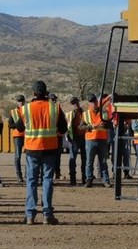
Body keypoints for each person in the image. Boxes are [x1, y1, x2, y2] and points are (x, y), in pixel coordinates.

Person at [22, 80, 66, 225]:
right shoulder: (55, 107)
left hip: (32, 149)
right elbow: (63, 129)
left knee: (31, 181)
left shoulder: (26, 108)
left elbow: (18, 127)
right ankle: (47, 214)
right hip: (49, 149)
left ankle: (30, 215)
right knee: (47, 181)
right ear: (46, 92)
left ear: (34, 93)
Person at [82, 95, 111, 188]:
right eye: (91, 102)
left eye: (94, 101)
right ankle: (89, 180)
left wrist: (105, 124)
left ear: (97, 102)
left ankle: (105, 180)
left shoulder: (104, 113)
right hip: (90, 140)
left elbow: (109, 126)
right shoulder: (85, 114)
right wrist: (90, 127)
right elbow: (80, 127)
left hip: (102, 140)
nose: (93, 104)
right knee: (89, 162)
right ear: (89, 103)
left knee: (103, 162)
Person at [64, 97, 86, 186]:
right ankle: (73, 180)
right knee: (72, 159)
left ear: (78, 103)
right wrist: (69, 138)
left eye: (76, 102)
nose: (75, 105)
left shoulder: (84, 113)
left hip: (84, 138)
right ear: (71, 105)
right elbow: (66, 127)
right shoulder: (68, 114)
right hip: (74, 140)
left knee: (85, 160)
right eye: (73, 103)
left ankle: (85, 178)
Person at [7, 95, 28, 183]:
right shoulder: (13, 112)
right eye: (19, 101)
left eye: (22, 101)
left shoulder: (28, 111)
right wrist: (18, 124)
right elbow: (10, 125)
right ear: (17, 102)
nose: (21, 103)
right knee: (18, 156)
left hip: (27, 135)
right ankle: (19, 175)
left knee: (29, 156)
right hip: (17, 136)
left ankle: (27, 174)